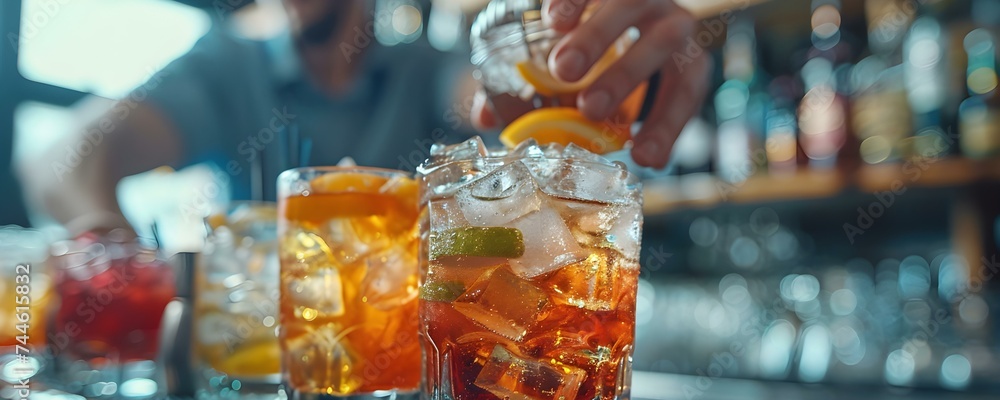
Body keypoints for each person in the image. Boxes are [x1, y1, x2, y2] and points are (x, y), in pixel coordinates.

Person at [16, 0, 711, 237]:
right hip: (264, 390)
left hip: (408, 396)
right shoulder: (226, 66)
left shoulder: (426, 68)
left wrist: (616, 56)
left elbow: (507, 99)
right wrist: (103, 235)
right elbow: (60, 160)